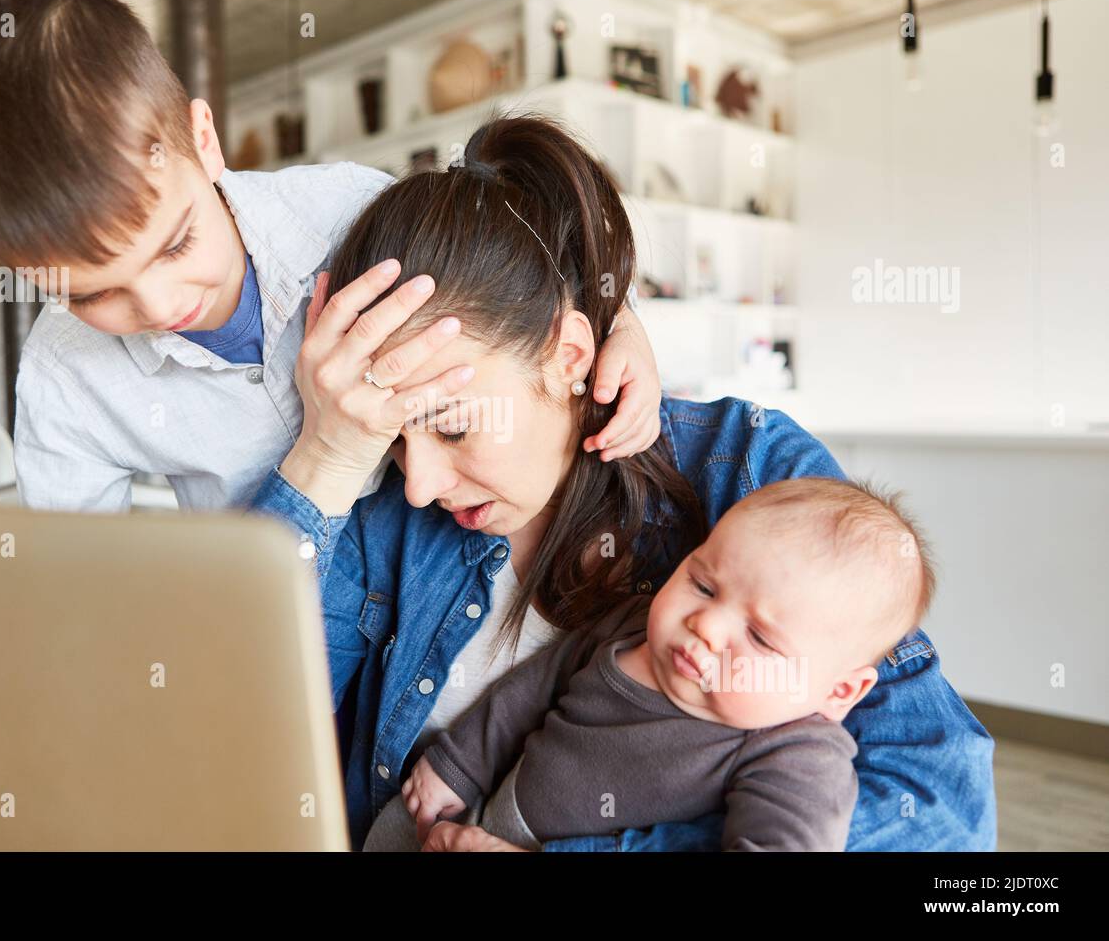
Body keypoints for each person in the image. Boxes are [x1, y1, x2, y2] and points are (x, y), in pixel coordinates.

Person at [251, 114, 997, 852]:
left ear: (570, 353)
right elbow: (248, 737)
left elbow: (937, 804)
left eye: (451, 425)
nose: (417, 485)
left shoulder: (744, 468)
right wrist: (327, 454)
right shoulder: (376, 500)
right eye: (390, 433)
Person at [0, 0, 660, 513]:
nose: (161, 308)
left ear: (203, 140)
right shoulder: (64, 382)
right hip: (283, 618)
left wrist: (621, 325)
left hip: (440, 557)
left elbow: (521, 274)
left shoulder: (348, 205)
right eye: (91, 293)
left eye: (176, 242)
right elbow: (81, 588)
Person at [371, 478, 934, 852]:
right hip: (483, 811)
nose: (706, 626)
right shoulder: (631, 626)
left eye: (760, 638)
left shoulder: (796, 751)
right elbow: (529, 692)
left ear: (839, 691)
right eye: (703, 584)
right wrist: (459, 762)